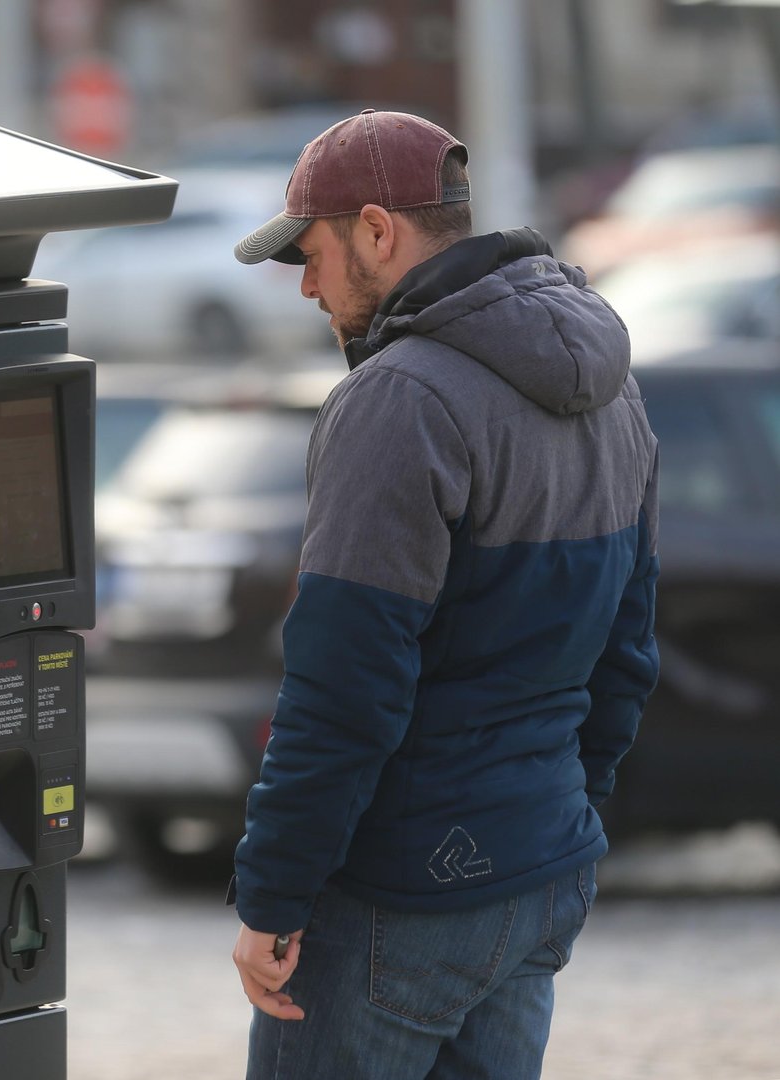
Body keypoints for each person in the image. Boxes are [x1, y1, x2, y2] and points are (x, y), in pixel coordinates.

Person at [226, 109, 659, 1079]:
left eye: (311, 254)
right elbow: (627, 648)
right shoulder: (613, 389)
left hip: (402, 890)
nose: (306, 286)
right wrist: (558, 813)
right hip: (539, 865)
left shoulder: (400, 401)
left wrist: (274, 895)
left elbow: (343, 687)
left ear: (378, 232)